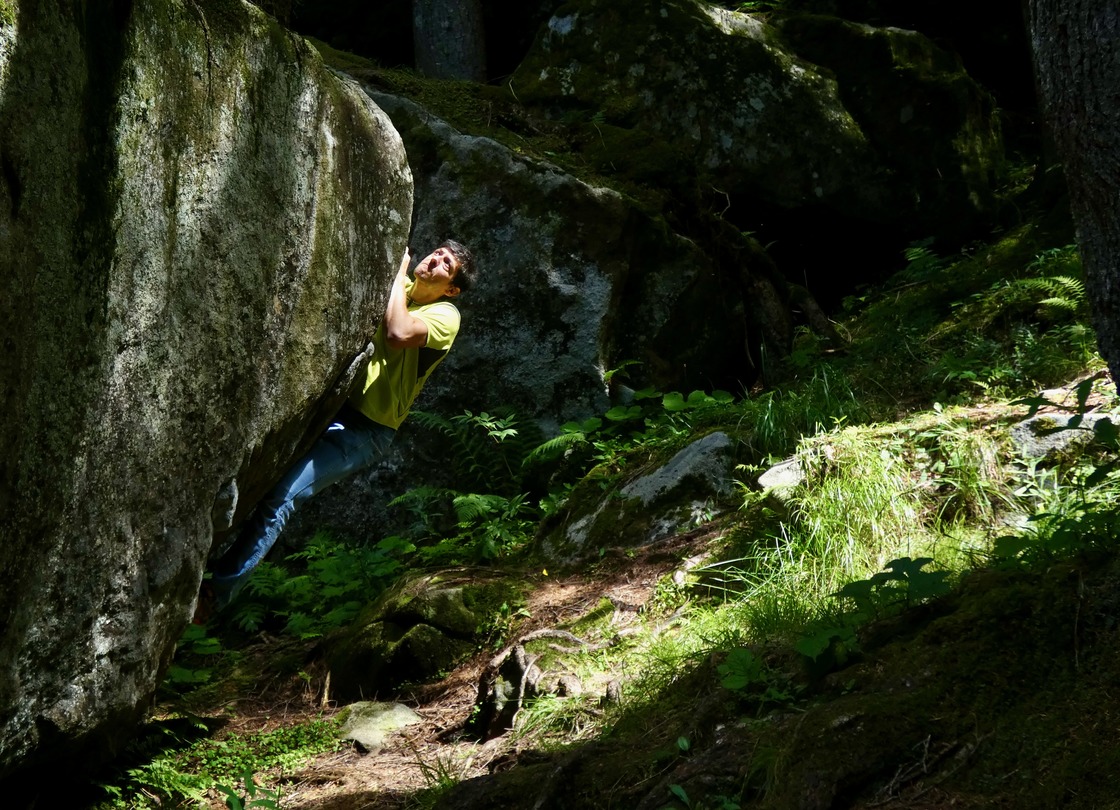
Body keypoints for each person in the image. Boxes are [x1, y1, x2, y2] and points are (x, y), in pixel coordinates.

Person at [200, 240, 475, 616]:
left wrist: (397, 273)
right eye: (438, 252)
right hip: (334, 401)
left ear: (452, 289)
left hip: (366, 429)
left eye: (447, 264)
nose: (436, 258)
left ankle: (216, 595)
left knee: (284, 495)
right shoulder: (401, 287)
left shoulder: (445, 314)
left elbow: (397, 333)